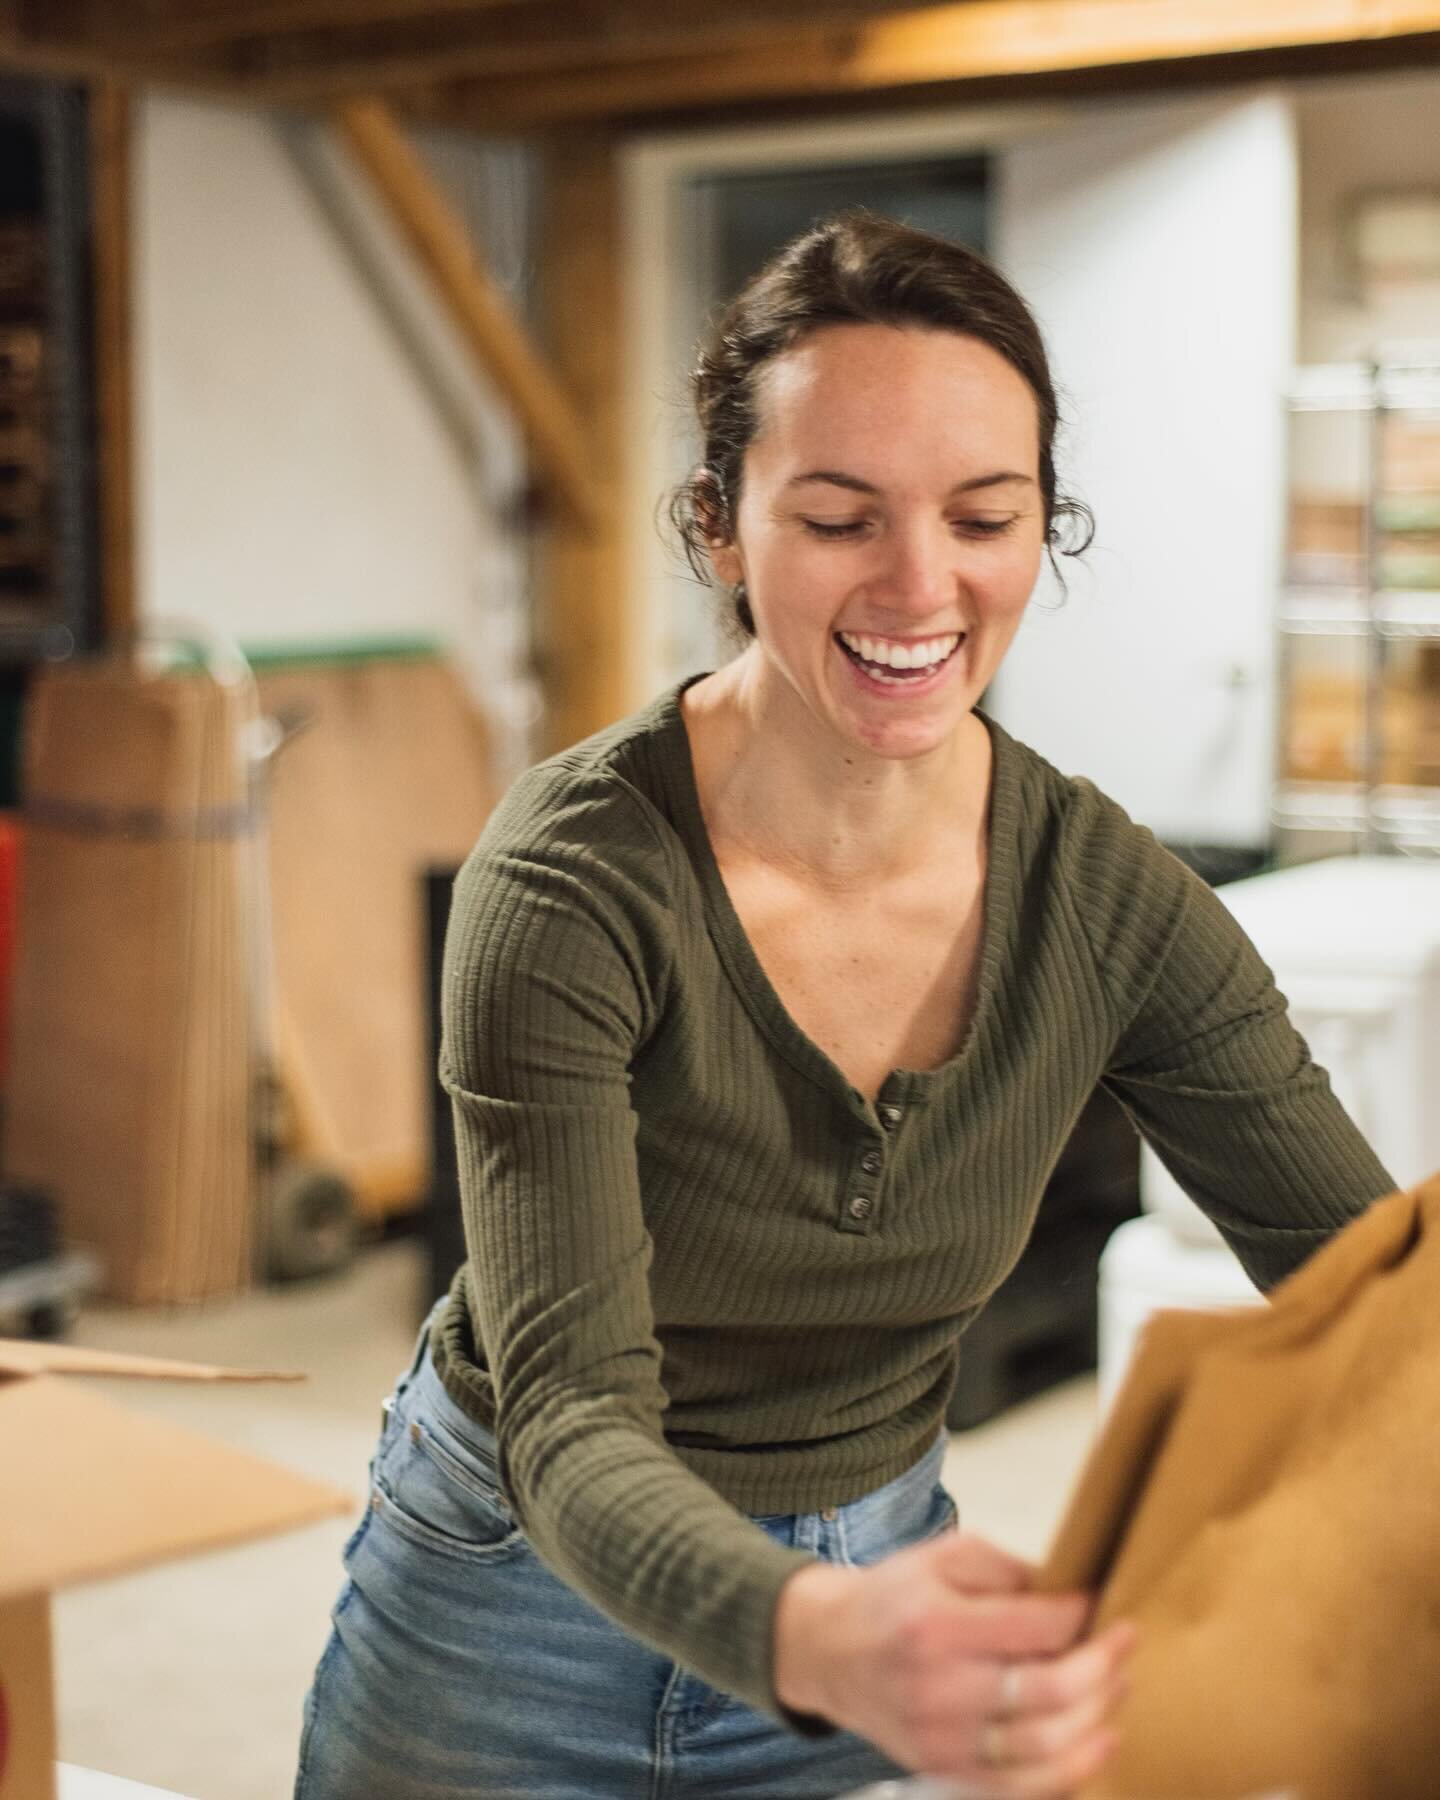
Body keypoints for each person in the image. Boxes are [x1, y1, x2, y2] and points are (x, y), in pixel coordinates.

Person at [293, 211, 1395, 1800]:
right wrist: (818, 1636)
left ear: (1042, 531)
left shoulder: (1109, 901)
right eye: (839, 516)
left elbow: (1375, 1309)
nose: (920, 582)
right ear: (722, 528)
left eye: (984, 514)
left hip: (883, 1585)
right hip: (513, 1608)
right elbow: (575, 1411)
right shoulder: (575, 880)